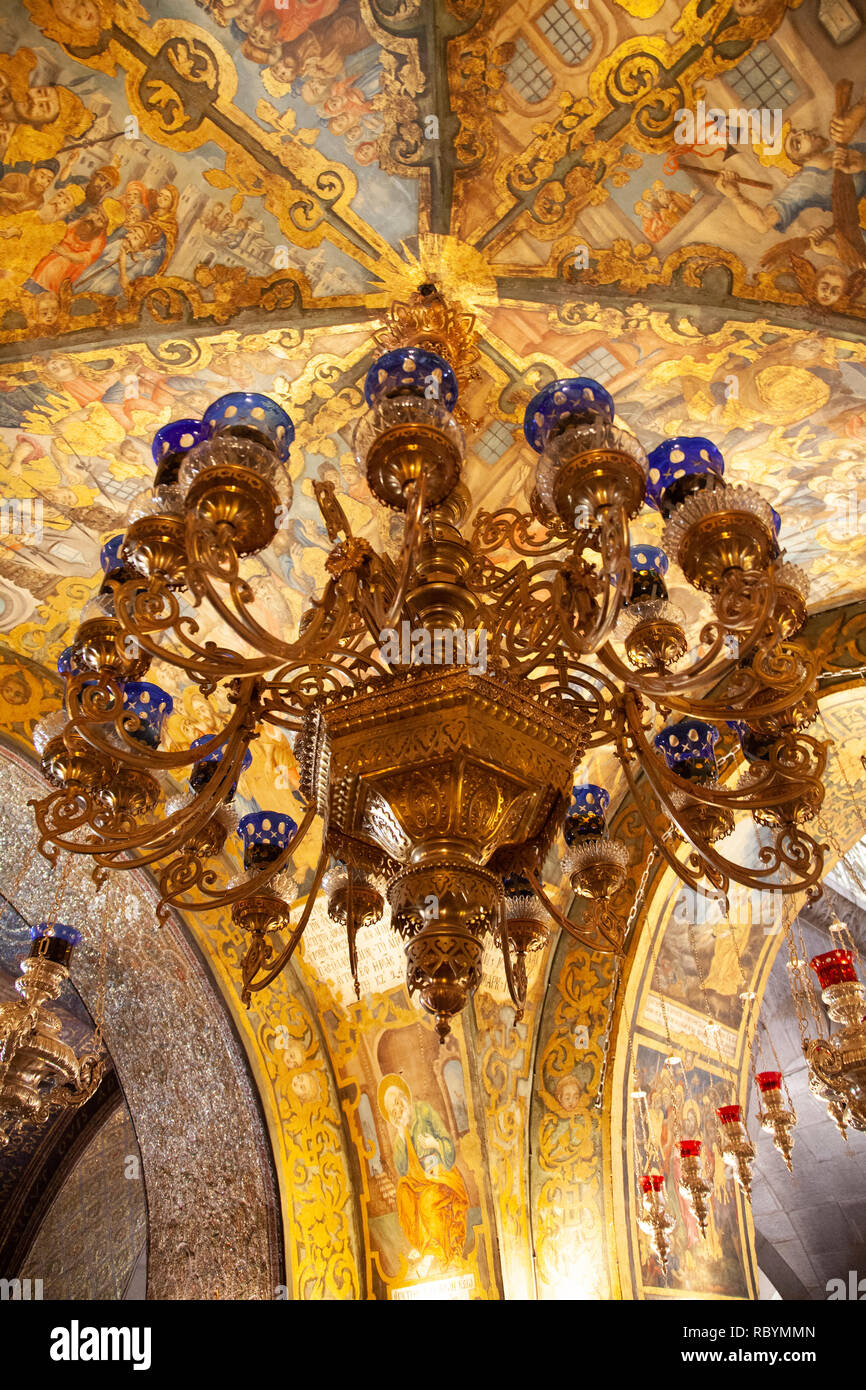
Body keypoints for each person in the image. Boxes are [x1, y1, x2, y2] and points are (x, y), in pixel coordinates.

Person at [378, 1074, 470, 1276]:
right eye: (392, 1108)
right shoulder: (399, 1129)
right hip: (417, 1180)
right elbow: (402, 1170)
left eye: (398, 1101)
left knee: (427, 1202)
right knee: (404, 1196)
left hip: (440, 1176)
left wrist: (434, 1144)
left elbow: (447, 1146)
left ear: (404, 1097)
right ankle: (423, 1244)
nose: (398, 1108)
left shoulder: (424, 1111)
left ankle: (431, 1253)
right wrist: (401, 1133)